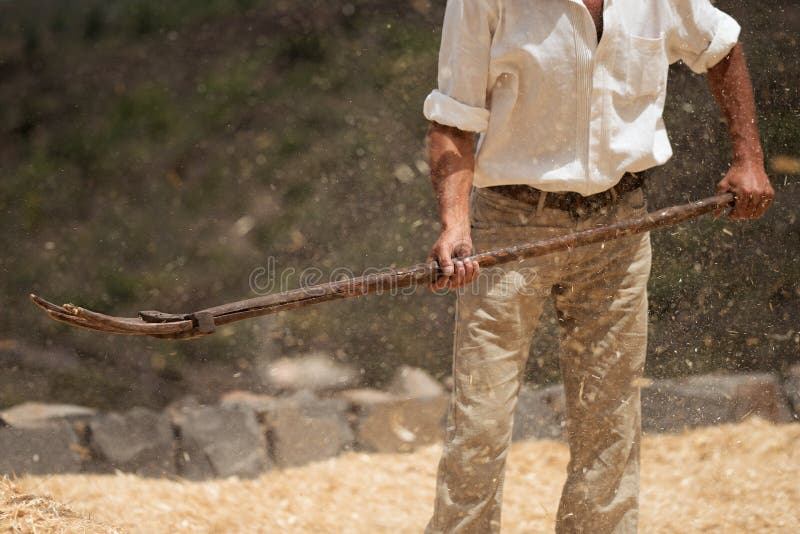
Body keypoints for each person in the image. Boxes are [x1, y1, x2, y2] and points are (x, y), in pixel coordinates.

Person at [422, 1, 774, 532]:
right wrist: (455, 223)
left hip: (621, 225)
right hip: (512, 226)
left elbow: (720, 47)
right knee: (480, 424)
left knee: (610, 423)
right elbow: (452, 119)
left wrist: (749, 159)